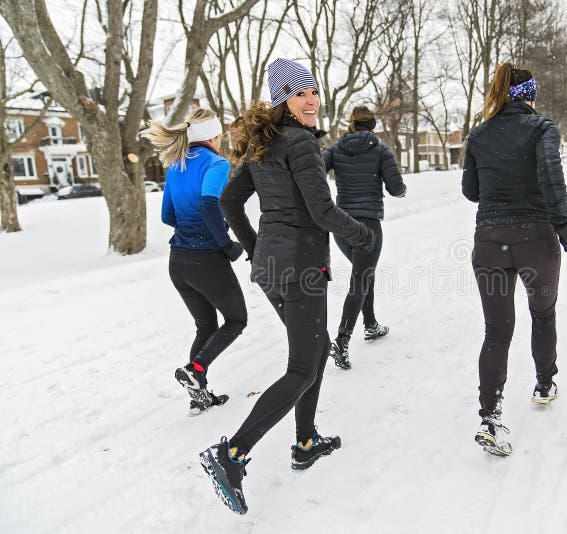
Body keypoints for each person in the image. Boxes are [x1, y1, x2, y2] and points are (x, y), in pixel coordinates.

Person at [198, 58, 376, 515]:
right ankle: (231, 454)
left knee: (314, 356)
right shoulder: (299, 144)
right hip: (302, 270)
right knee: (302, 367)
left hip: (274, 270)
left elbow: (229, 202)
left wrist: (257, 250)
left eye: (314, 91)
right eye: (300, 93)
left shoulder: (261, 143)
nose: (312, 100)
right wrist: (362, 234)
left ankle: (305, 440)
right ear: (283, 100)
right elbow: (323, 212)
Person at [461, 63, 567, 457]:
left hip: (490, 241)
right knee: (543, 313)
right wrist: (563, 225)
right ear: (530, 95)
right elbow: (550, 174)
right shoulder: (542, 128)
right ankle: (544, 384)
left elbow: (471, 191)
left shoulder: (478, 134)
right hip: (536, 239)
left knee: (496, 331)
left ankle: (489, 419)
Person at [143, 109, 247, 415]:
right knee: (236, 320)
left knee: (206, 326)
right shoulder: (217, 163)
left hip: (178, 262)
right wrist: (225, 243)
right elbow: (208, 201)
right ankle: (197, 369)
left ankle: (197, 395)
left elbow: (167, 216)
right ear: (214, 137)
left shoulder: (176, 166)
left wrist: (190, 230)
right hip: (207, 261)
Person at [322, 106, 406, 370]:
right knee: (360, 279)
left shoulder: (335, 149)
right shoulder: (380, 150)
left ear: (352, 125)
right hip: (368, 226)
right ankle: (342, 341)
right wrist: (400, 188)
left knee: (364, 274)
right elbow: (396, 189)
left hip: (342, 226)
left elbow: (312, 172)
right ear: (373, 125)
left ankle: (370, 324)